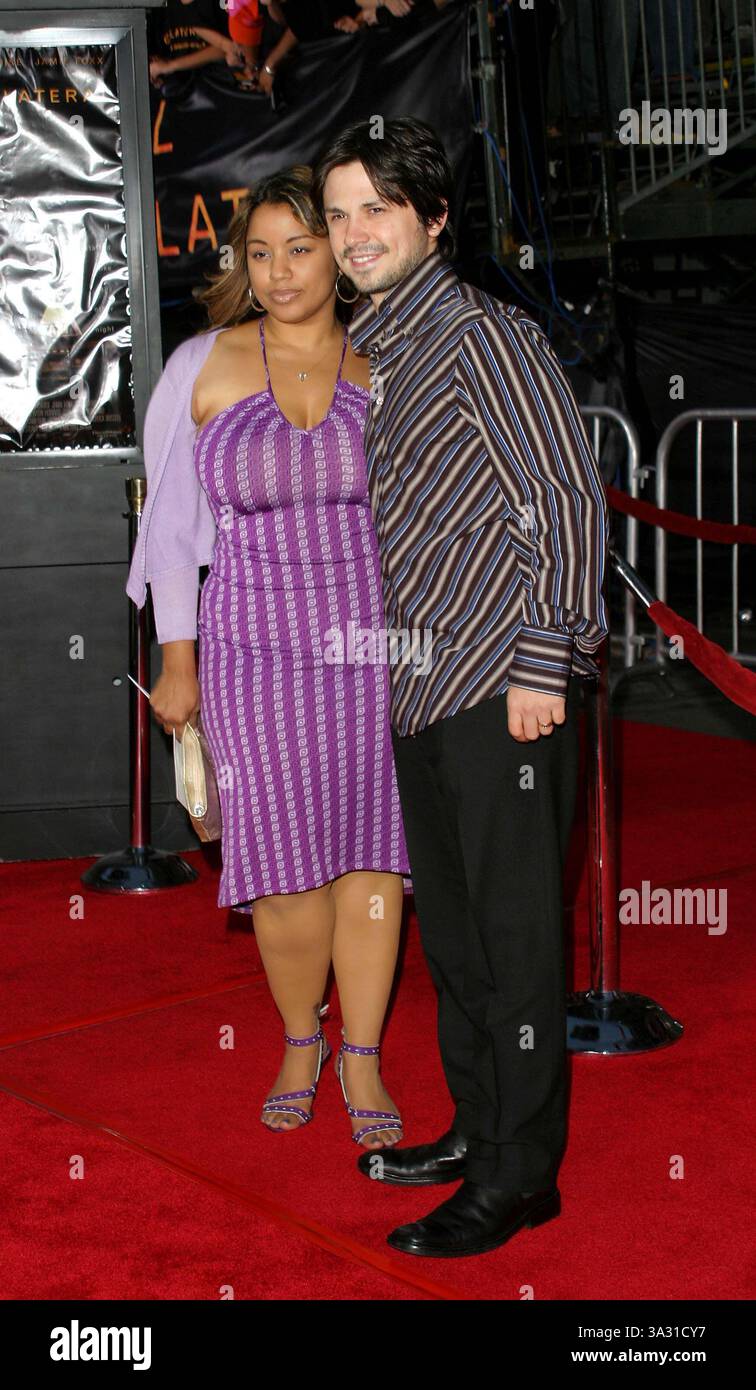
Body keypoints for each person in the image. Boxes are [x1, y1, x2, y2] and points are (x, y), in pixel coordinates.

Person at [311, 117, 609, 1257]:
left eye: (377, 209)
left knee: (516, 939)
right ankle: (479, 1129)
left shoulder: (482, 335)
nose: (353, 235)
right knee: (463, 947)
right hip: (426, 688)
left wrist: (546, 661)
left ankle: (520, 1176)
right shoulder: (392, 346)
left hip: (501, 687)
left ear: (435, 219)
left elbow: (566, 499)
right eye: (338, 214)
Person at [125, 167, 412, 1151]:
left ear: (338, 250)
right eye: (262, 251)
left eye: (301, 246)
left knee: (373, 855)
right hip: (250, 643)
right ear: (241, 265)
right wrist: (178, 661)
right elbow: (168, 532)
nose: (282, 270)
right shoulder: (201, 364)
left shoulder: (386, 363)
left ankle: (362, 1051)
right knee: (284, 869)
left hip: (371, 641)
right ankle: (302, 1038)